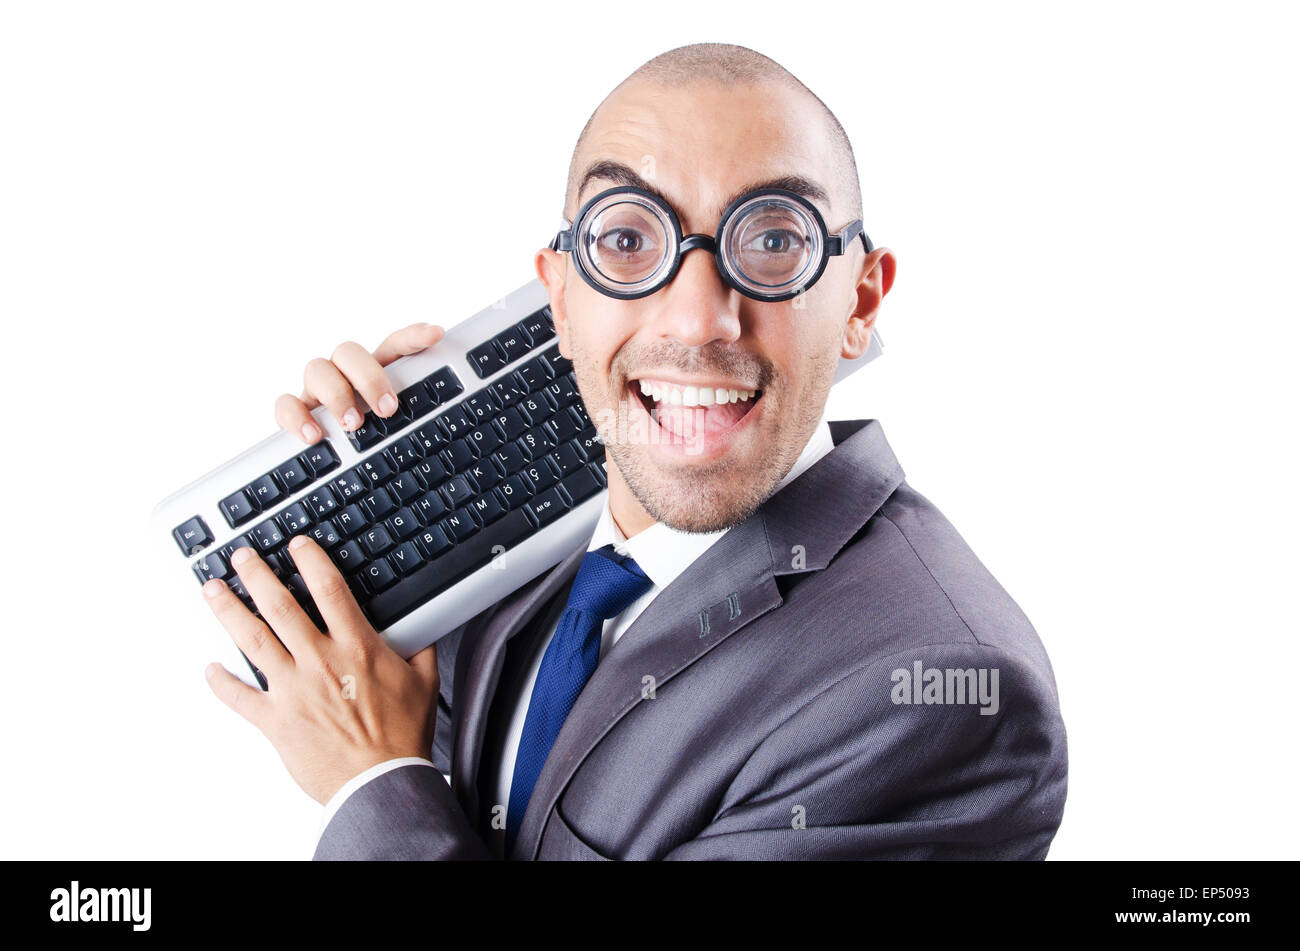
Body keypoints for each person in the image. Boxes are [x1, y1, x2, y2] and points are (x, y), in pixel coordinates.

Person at [200, 42, 1068, 859]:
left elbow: (391, 782)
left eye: (773, 241)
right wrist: (382, 509)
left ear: (861, 303)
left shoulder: (944, 693)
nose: (698, 318)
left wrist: (370, 786)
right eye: (627, 240)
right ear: (561, 298)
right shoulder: (544, 548)